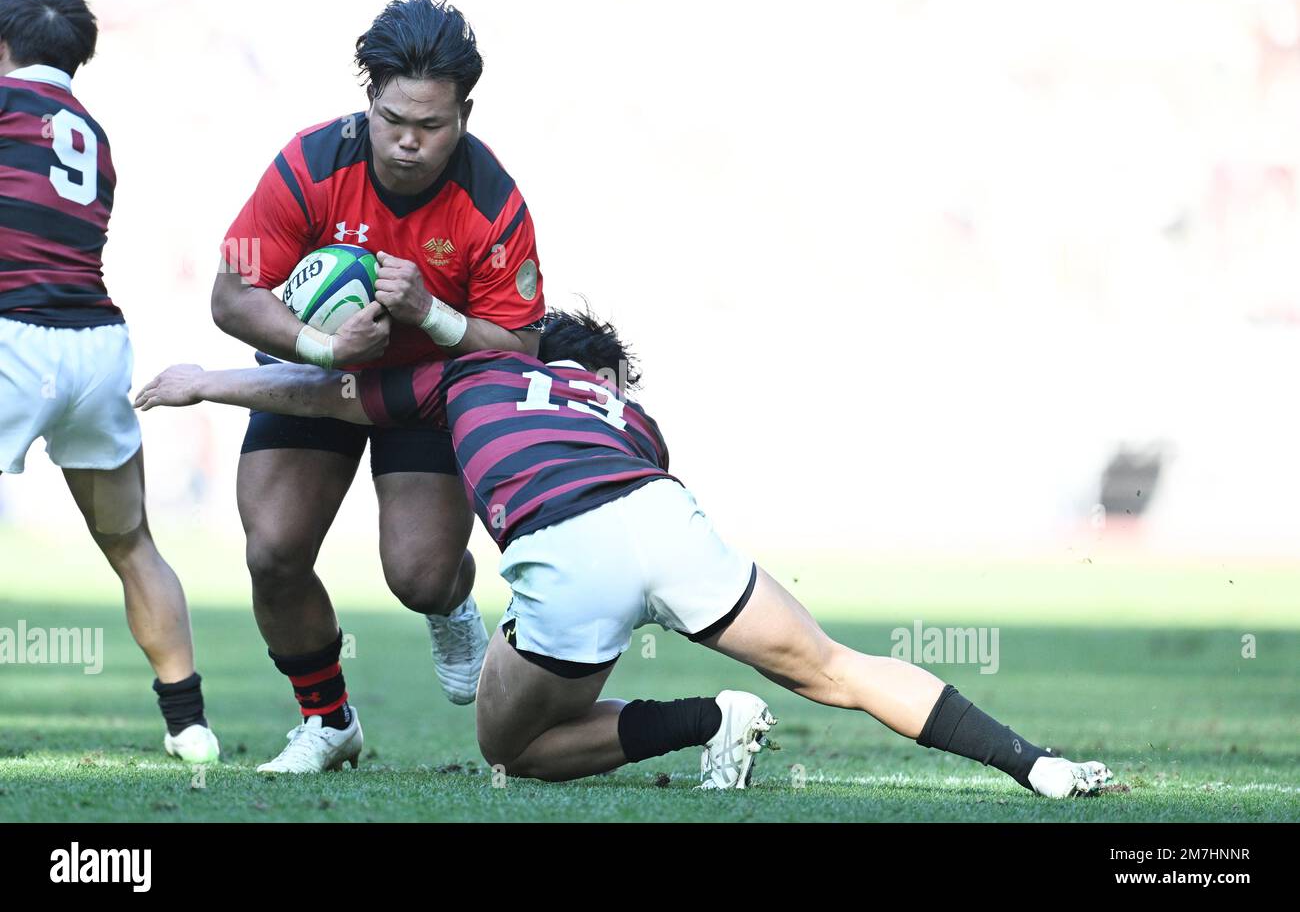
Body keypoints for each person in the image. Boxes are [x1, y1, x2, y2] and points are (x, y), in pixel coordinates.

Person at [135, 309, 1115, 795]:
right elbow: (636, 470)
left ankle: (705, 716)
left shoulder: (469, 373)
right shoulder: (631, 411)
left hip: (568, 550)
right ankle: (1040, 767)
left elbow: (328, 395)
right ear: (600, 372)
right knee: (838, 668)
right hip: (663, 514)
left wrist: (205, 381)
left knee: (507, 746)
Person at [210, 0, 546, 771]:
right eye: (393, 118)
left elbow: (522, 345)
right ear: (370, 101)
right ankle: (328, 723)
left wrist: (433, 314)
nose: (407, 142)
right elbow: (231, 297)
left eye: (431, 126)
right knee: (274, 551)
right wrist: (321, 345)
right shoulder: (312, 163)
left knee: (418, 576)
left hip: (425, 391)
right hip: (319, 374)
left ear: (464, 113)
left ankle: (452, 598)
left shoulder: (491, 201)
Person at [0, 0, 218, 763]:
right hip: (95, 342)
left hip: (14, 336)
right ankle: (190, 727)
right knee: (131, 544)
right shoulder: (91, 132)